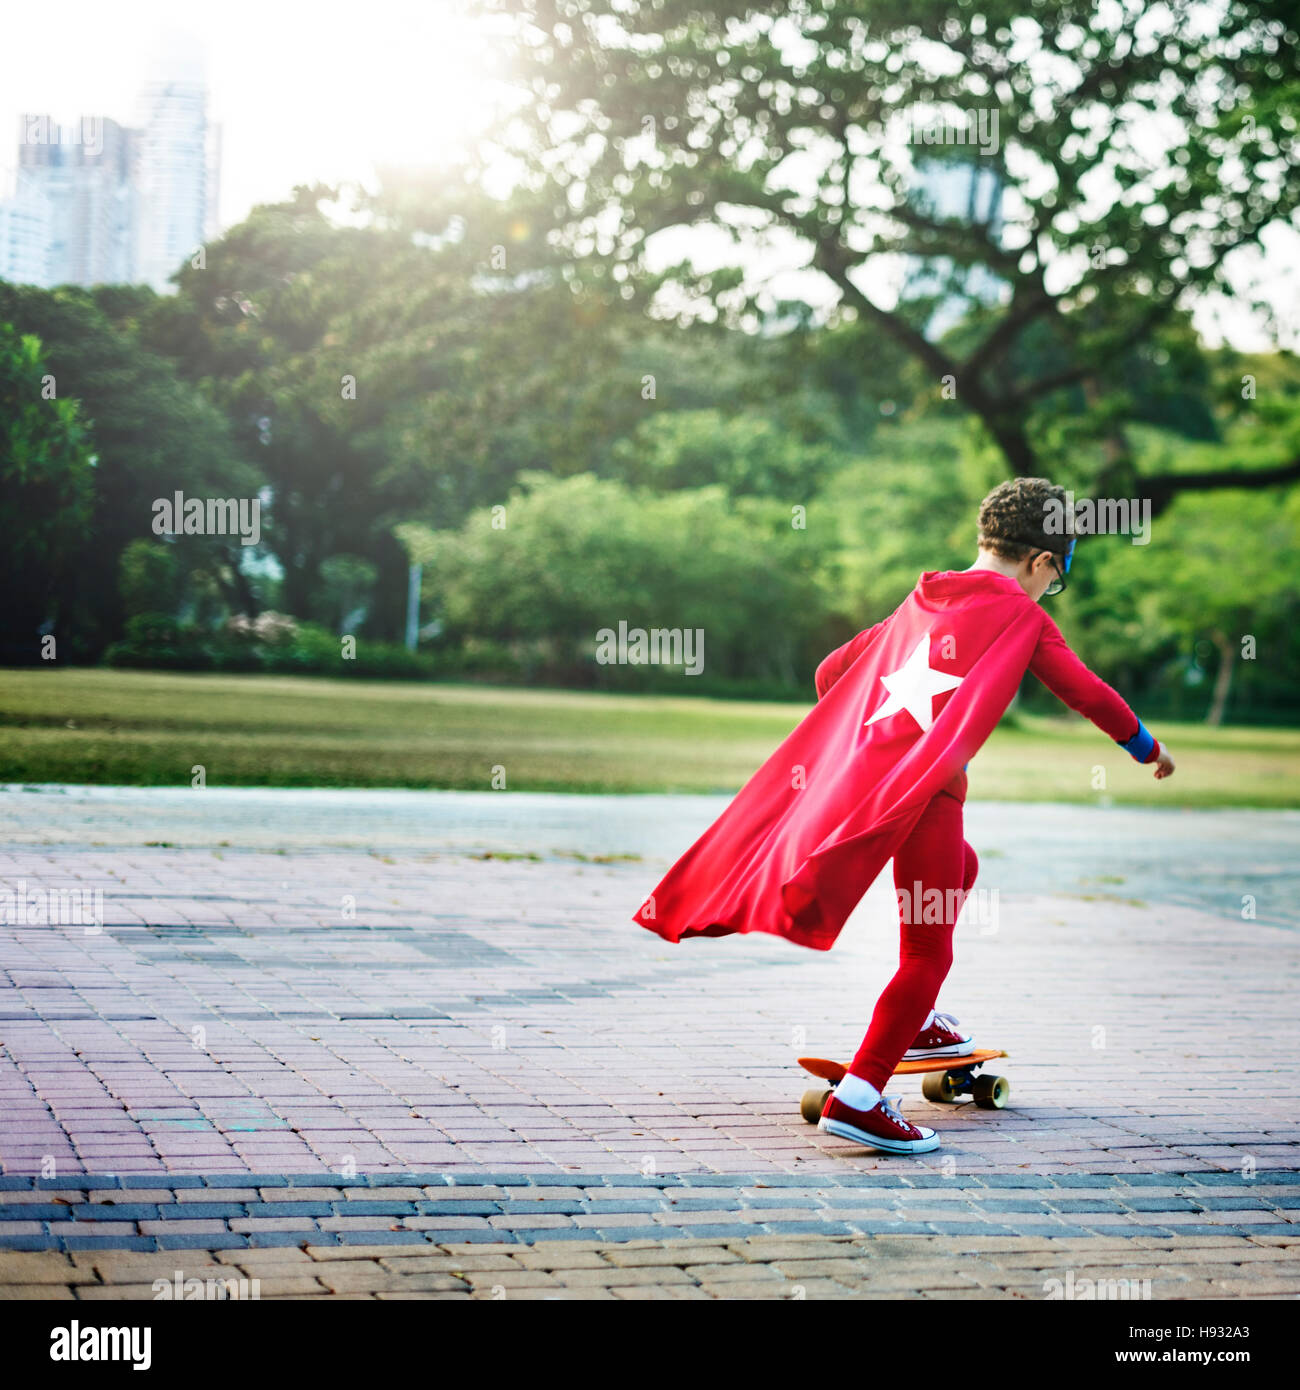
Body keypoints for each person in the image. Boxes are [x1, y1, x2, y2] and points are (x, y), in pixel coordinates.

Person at [816, 478, 1175, 1153]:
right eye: (1058, 577)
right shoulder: (1024, 616)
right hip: (932, 793)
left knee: (961, 871)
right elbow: (1087, 692)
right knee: (929, 951)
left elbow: (830, 673)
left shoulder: (924, 597)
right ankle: (861, 1097)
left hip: (890, 789)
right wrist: (1145, 746)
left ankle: (916, 1025)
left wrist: (880, 746)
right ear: (1043, 561)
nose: (1052, 589)